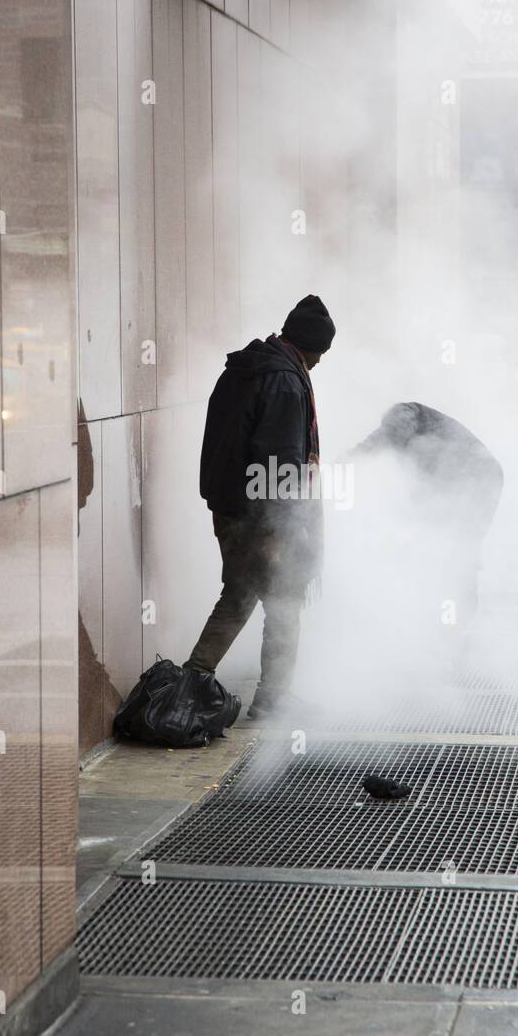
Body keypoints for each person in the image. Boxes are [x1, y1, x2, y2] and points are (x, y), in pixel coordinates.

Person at [185, 295, 336, 719]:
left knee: (240, 594)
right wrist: (289, 526)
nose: (320, 361)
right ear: (308, 345)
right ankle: (269, 700)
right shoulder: (286, 382)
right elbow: (281, 463)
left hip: (232, 505)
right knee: (284, 600)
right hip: (263, 514)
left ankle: (193, 683)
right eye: (321, 352)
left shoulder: (245, 369)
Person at [352, 402, 503, 627]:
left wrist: (344, 464)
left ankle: (447, 632)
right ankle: (448, 630)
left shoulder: (404, 414)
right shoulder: (425, 435)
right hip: (479, 481)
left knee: (454, 559)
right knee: (455, 558)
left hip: (476, 482)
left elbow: (379, 444)